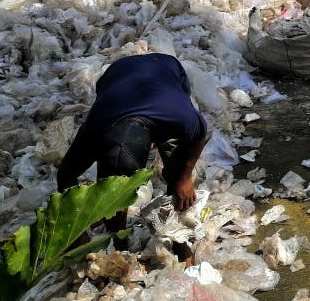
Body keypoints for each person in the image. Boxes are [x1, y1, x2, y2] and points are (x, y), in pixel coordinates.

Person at [57, 54, 208, 258]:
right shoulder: (95, 128)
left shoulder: (180, 118)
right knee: (113, 195)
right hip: (116, 74)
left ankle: (179, 240)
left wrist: (185, 177)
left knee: (177, 173)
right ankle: (119, 240)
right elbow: (65, 175)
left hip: (165, 67)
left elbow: (199, 136)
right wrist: (74, 232)